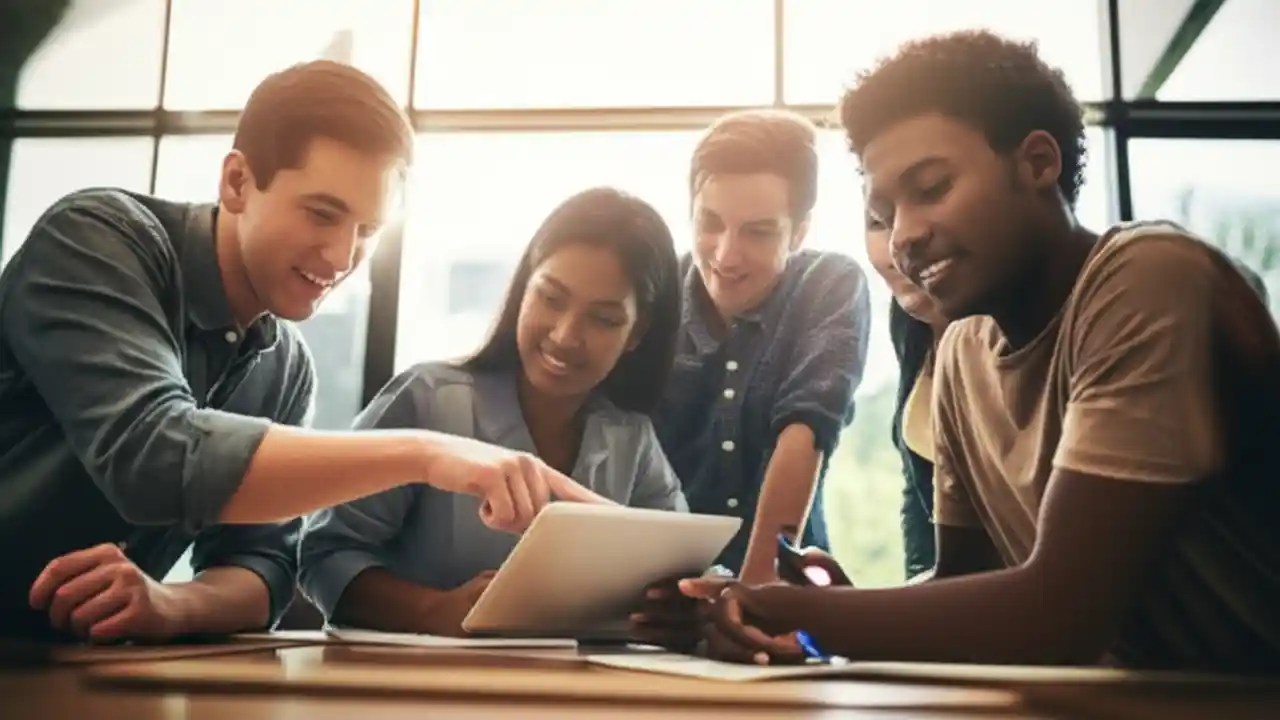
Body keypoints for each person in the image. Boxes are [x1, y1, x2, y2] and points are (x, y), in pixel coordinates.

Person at [680, 30, 1280, 672]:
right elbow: (966, 585)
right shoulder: (963, 350)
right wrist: (827, 605)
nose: (905, 235)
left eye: (931, 188)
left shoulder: (1147, 277)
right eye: (884, 212)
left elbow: (1060, 613)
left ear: (1038, 163)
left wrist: (796, 612)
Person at [0, 61, 599, 642]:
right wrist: (428, 454)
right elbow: (155, 455)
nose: (342, 258)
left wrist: (169, 604)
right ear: (237, 181)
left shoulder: (285, 367)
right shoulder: (97, 239)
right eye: (321, 214)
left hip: (68, 669)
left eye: (367, 231)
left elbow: (264, 571)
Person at [298, 188, 688, 636]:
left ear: (637, 333)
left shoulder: (630, 438)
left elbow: (684, 572)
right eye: (551, 299)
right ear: (523, 290)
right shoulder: (428, 400)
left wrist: (682, 604)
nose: (565, 335)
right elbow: (323, 555)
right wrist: (433, 610)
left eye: (603, 319)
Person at [654, 109, 871, 582]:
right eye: (710, 222)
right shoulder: (655, 291)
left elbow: (806, 428)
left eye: (758, 231)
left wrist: (756, 594)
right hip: (660, 591)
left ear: (799, 232)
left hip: (782, 586)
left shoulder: (828, 284)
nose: (726, 254)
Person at [865, 213, 948, 580]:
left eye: (933, 191)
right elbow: (920, 501)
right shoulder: (909, 320)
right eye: (878, 221)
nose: (897, 243)